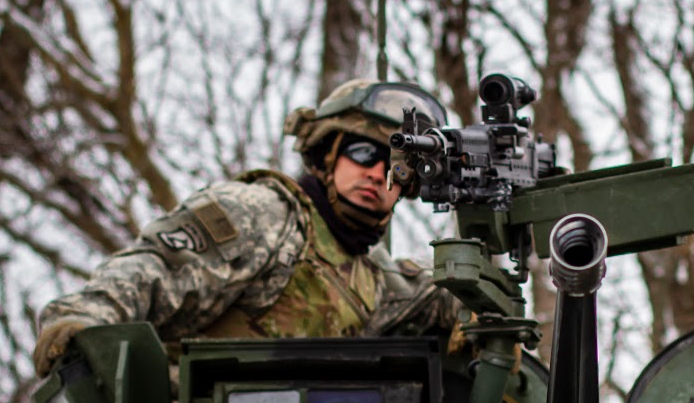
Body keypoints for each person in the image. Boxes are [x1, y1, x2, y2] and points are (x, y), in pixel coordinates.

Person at [33, 79, 461, 376]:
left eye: (396, 166)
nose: (377, 174)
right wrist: (84, 317)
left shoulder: (371, 280)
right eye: (365, 153)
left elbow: (435, 291)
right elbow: (158, 266)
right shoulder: (265, 215)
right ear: (327, 155)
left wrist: (477, 308)